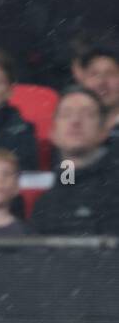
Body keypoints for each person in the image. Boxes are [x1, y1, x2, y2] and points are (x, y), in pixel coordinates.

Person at [31, 85, 119, 235]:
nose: (75, 121)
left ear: (104, 131)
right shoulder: (46, 203)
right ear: (53, 133)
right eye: (66, 114)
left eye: (87, 114)